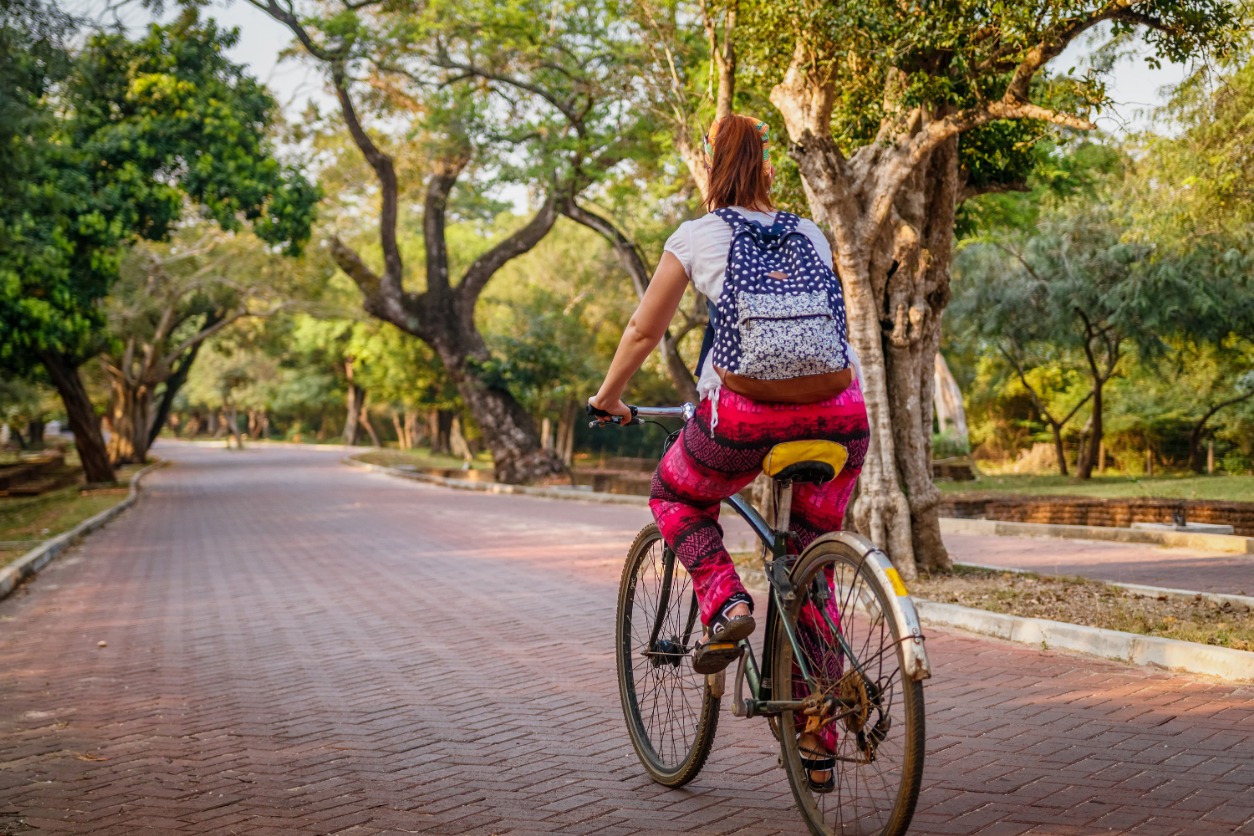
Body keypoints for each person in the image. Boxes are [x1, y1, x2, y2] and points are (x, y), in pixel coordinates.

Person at [588, 113, 870, 790]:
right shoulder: (808, 231)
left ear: (711, 166)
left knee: (675, 494)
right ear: (769, 167)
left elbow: (641, 330)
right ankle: (817, 735)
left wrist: (609, 396)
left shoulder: (697, 235)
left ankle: (726, 606)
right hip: (842, 417)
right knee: (810, 565)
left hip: (743, 420)